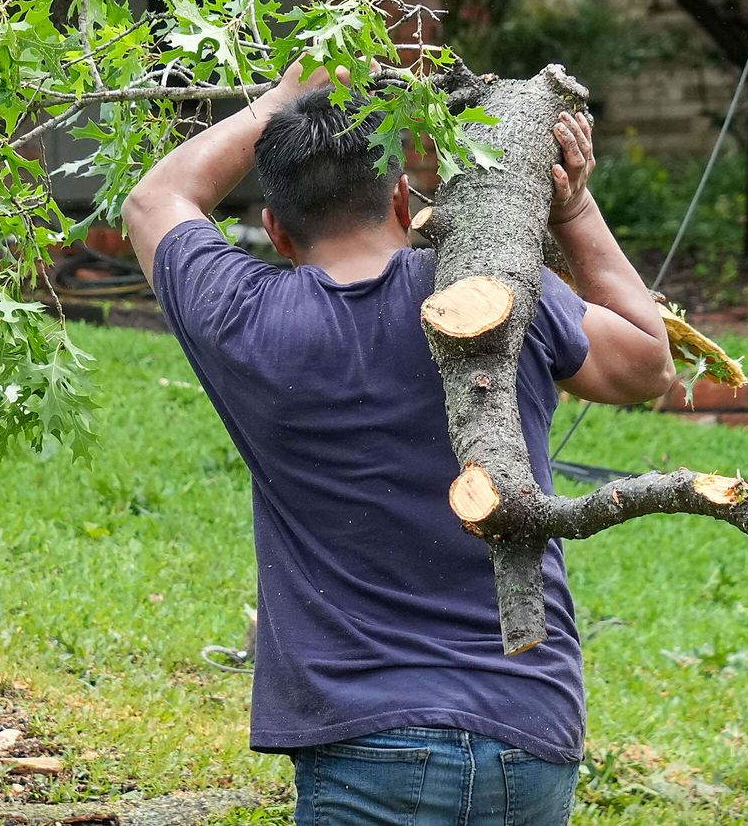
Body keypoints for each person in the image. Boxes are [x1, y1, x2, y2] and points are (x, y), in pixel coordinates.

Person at [122, 61, 676, 826]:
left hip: (364, 739)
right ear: (399, 201)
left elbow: (154, 200)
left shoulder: (244, 321)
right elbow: (650, 364)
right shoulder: (499, 291)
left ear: (277, 231)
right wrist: (573, 209)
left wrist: (282, 100)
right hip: (531, 727)